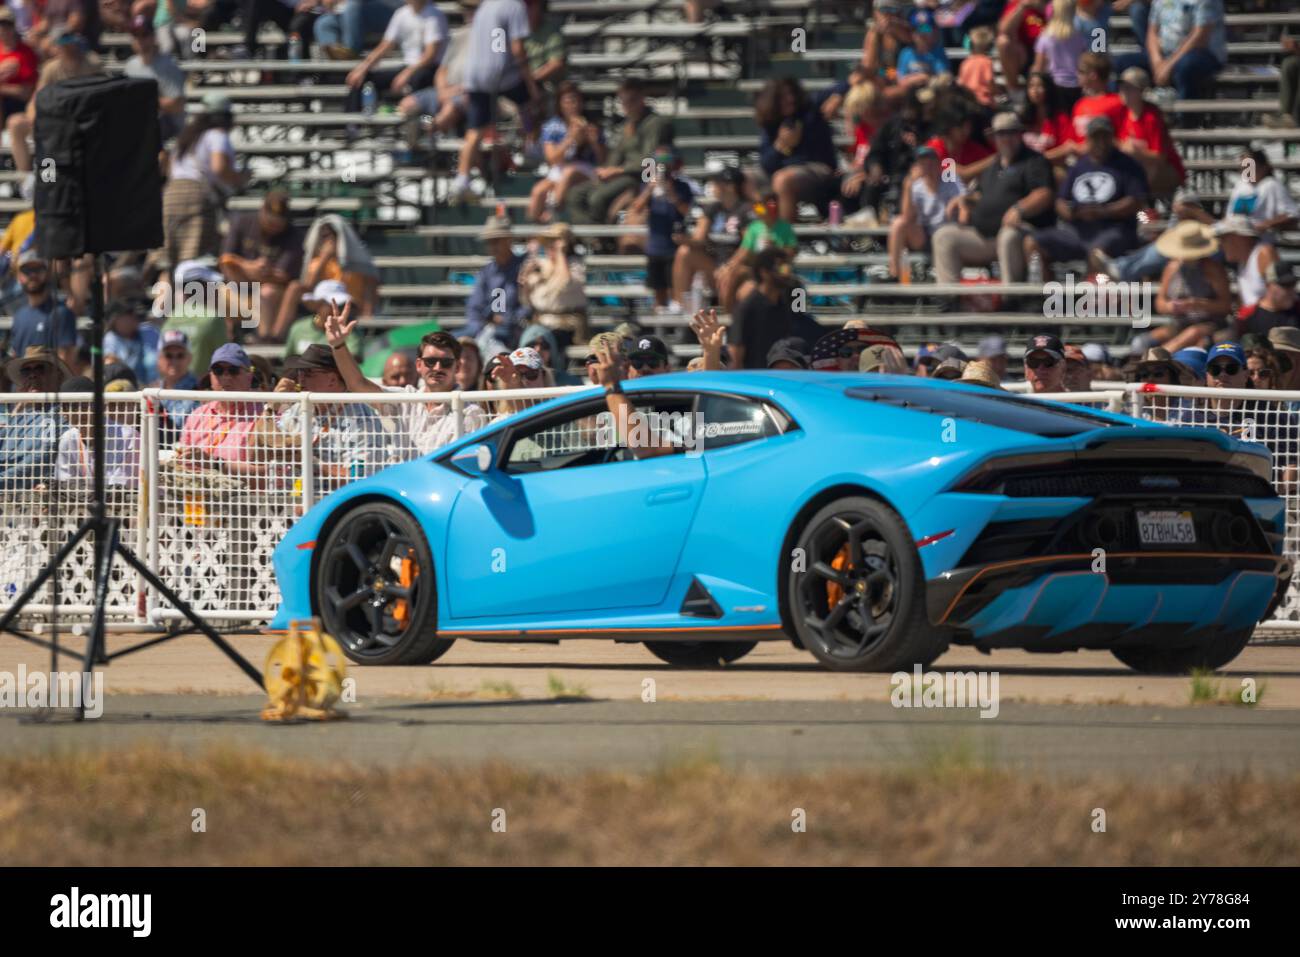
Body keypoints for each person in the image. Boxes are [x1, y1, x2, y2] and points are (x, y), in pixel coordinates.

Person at [325, 305, 488, 451]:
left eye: (446, 362)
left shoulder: (471, 413)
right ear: (419, 365)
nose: (437, 368)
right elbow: (357, 385)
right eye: (430, 362)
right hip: (400, 484)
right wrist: (338, 345)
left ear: (457, 368)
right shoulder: (405, 400)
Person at [931, 112, 1056, 285]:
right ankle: (949, 299)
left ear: (1020, 134)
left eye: (1011, 132)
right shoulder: (993, 165)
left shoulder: (1034, 161)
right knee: (944, 236)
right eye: (1001, 134)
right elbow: (980, 195)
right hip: (985, 236)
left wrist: (1019, 209)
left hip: (1020, 233)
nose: (1006, 138)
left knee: (1007, 236)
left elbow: (1044, 194)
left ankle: (1010, 298)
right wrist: (965, 200)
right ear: (994, 137)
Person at [256, 344, 399, 491]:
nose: (300, 379)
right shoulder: (298, 410)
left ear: (332, 380)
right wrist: (271, 407)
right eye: (299, 372)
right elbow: (254, 450)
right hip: (288, 504)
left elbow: (360, 477)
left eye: (308, 373)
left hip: (338, 508)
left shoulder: (359, 420)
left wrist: (309, 462)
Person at [1027, 114, 1147, 275]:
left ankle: (1089, 297)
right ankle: (1045, 296)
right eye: (1096, 137)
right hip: (1077, 229)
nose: (1101, 142)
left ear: (1112, 138)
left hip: (1115, 229)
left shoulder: (1127, 165)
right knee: (1032, 242)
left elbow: (1136, 201)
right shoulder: (1079, 165)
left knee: (1097, 252)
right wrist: (1071, 212)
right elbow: (1060, 201)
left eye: (1105, 137)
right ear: (1088, 139)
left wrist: (1104, 211)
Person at [450, 0, 540, 203]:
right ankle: (532, 149)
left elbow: (496, 39)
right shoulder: (513, 6)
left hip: (475, 74)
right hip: (498, 72)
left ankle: (461, 180)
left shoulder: (486, 6)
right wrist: (531, 83)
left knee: (475, 130)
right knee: (529, 105)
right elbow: (517, 48)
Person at [1176, 342, 1299, 489]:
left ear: (1246, 375)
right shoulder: (1191, 418)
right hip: (1205, 497)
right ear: (1207, 375)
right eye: (1215, 369)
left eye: (1231, 369)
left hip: (1254, 502)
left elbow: (1290, 465)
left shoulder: (1271, 416)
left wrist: (1270, 495)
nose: (1222, 375)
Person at [564, 77, 673, 226]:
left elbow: (651, 161)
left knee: (597, 198)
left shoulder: (656, 124)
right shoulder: (626, 125)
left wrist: (618, 170)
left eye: (631, 100)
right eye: (623, 101)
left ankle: (601, 240)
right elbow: (617, 154)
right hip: (619, 176)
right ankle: (591, 240)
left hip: (640, 177)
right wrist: (606, 170)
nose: (627, 106)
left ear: (642, 99)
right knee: (575, 195)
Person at [163, 94, 244, 272]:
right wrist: (240, 177)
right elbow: (219, 168)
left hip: (171, 194)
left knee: (169, 262)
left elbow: (169, 168)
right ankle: (184, 299)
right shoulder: (217, 135)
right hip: (197, 197)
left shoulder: (187, 137)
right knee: (191, 262)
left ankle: (164, 299)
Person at [218, 190, 306, 343]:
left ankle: (264, 340)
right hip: (241, 290)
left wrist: (249, 271)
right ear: (262, 212)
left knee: (267, 292)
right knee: (219, 291)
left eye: (278, 224)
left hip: (272, 296)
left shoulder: (294, 235)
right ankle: (227, 341)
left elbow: (282, 275)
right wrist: (249, 266)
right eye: (270, 222)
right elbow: (225, 260)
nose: (273, 227)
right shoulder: (242, 223)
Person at [276, 215, 379, 338]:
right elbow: (309, 286)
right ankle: (276, 336)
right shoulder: (317, 262)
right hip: (321, 305)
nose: (328, 241)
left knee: (328, 308)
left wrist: (367, 314)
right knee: (296, 288)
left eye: (331, 236)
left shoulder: (357, 260)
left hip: (349, 305)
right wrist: (324, 258)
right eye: (324, 236)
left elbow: (370, 286)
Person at [175, 343, 268, 478]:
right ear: (211, 377)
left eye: (233, 370)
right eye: (218, 370)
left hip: (242, 496)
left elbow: (267, 473)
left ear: (249, 376)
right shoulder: (197, 415)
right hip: (196, 493)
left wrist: (214, 464)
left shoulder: (264, 415)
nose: (226, 377)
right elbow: (182, 461)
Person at [755, 76, 840, 223]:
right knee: (747, 181)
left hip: (817, 168)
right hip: (781, 169)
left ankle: (785, 239)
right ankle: (765, 224)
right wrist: (780, 146)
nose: (790, 99)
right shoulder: (771, 123)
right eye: (783, 96)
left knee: (783, 180)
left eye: (791, 94)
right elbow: (766, 165)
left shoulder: (810, 110)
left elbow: (845, 83)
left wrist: (838, 96)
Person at [673, 166, 752, 311]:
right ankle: (680, 305)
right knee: (684, 252)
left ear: (730, 186)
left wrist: (730, 266)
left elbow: (749, 244)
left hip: (739, 266)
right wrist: (685, 239)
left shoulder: (746, 210)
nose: (712, 187)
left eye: (716, 183)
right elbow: (699, 240)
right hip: (715, 265)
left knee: (729, 276)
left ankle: (729, 324)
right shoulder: (713, 208)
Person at [1115, 0, 1227, 102]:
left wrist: (1168, 66)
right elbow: (1152, 31)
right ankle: (1134, 118)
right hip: (1165, 56)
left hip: (1201, 54)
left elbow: (1200, 36)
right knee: (1123, 63)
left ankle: (1185, 119)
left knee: (1186, 66)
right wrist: (1157, 61)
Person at [345, 0, 447, 112]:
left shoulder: (434, 15)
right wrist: (362, 68)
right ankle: (351, 126)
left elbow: (430, 55)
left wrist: (406, 74)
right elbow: (385, 46)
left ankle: (416, 122)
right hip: (408, 68)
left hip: (430, 69)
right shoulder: (401, 14)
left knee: (418, 79)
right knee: (362, 79)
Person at [728, 248, 823, 370]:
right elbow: (736, 354)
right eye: (781, 268)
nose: (786, 273)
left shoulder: (785, 304)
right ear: (764, 272)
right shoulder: (747, 308)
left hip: (779, 378)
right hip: (756, 381)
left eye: (788, 267)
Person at [529, 81, 605, 223]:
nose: (573, 105)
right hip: (559, 168)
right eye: (568, 101)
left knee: (568, 173)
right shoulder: (552, 126)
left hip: (585, 169)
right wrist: (569, 139)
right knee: (538, 191)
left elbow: (602, 160)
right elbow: (552, 159)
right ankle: (534, 234)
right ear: (560, 104)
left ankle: (553, 216)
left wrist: (594, 142)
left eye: (576, 101)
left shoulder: (592, 124)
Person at [628, 148, 694, 310]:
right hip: (655, 247)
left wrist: (671, 193)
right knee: (658, 292)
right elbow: (636, 208)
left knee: (675, 291)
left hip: (673, 246)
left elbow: (687, 211)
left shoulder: (682, 186)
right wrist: (651, 189)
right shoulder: (648, 186)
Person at [887, 145, 964, 282]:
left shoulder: (950, 180)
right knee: (898, 223)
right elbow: (907, 216)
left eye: (931, 161)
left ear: (938, 163)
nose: (927, 165)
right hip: (925, 235)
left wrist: (956, 202)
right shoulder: (915, 186)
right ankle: (894, 274)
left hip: (948, 232)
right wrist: (908, 185)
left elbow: (965, 199)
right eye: (923, 162)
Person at [1152, 221, 1231, 352]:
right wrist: (1170, 306)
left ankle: (1156, 360)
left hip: (1210, 323)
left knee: (1193, 334)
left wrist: (1197, 304)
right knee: (1141, 342)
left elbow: (1225, 306)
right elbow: (1159, 303)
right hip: (1179, 323)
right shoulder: (1171, 268)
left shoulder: (1213, 270)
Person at [54, 376, 140, 486]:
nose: (80, 411)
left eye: (85, 404)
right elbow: (65, 487)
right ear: (64, 413)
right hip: (86, 502)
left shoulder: (129, 437)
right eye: (73, 406)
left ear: (100, 406)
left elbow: (119, 493)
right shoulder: (67, 439)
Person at [0, 347, 68, 487]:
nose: (32, 375)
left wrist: (2, 479)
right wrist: (18, 407)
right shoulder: (20, 417)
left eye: (40, 368)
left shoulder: (63, 415)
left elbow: (42, 460)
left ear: (59, 375)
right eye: (26, 371)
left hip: (31, 498)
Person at [463, 214, 531, 354]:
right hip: (486, 329)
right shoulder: (486, 273)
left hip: (515, 329)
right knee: (454, 340)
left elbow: (529, 306)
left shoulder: (525, 268)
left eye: (497, 241)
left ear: (509, 240)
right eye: (489, 242)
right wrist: (481, 326)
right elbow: (474, 307)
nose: (493, 246)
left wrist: (507, 319)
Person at [1114, 66, 1184, 200]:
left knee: (1144, 171)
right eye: (1122, 87)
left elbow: (1159, 158)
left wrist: (1135, 152)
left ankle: (1144, 213)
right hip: (1137, 168)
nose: (1123, 92)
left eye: (1129, 88)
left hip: (1164, 171)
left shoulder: (1151, 117)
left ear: (1141, 91)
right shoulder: (1120, 113)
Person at [519, 222, 587, 351]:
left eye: (554, 242)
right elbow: (526, 301)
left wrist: (561, 254)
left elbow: (567, 284)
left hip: (566, 326)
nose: (550, 247)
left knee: (545, 343)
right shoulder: (541, 265)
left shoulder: (575, 266)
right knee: (526, 339)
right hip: (540, 323)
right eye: (548, 243)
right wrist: (524, 282)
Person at [8, 250, 78, 370]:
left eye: (38, 269)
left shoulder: (62, 313)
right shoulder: (19, 315)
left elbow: (65, 360)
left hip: (50, 387)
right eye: (27, 271)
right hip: (22, 386)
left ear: (48, 273)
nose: (33, 275)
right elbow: (15, 357)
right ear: (19, 276)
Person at [123, 14, 185, 141]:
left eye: (144, 35)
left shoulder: (168, 65)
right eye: (135, 35)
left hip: (168, 125)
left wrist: (143, 102)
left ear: (153, 37)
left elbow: (176, 104)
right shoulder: (130, 65)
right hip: (142, 123)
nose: (140, 40)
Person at [1224, 149, 1299, 239]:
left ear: (1263, 167)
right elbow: (1230, 214)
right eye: (1243, 168)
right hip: (1234, 239)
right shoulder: (1240, 186)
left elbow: (1292, 214)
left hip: (1259, 240)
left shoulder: (1271, 185)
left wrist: (1265, 224)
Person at [283, 279, 363, 358]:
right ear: (317, 305)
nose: (337, 310)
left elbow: (354, 360)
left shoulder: (350, 330)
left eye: (341, 305)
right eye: (331, 305)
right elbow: (288, 360)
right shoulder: (298, 327)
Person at [1032, 0, 1086, 108]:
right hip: (1076, 86)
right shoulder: (1080, 37)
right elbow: (1083, 62)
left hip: (1054, 86)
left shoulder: (1045, 38)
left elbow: (1039, 68)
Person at [1216, 215, 1277, 313]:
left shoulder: (1264, 254)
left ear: (1238, 238)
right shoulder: (1242, 265)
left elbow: (1280, 295)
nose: (1221, 245)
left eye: (1224, 239)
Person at [148, 329, 201, 440]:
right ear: (159, 359)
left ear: (189, 358)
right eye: (168, 355)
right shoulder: (151, 391)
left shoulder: (201, 391)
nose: (174, 361)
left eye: (180, 355)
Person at [1069, 52, 1125, 145]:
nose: (1077, 74)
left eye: (1081, 71)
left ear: (1093, 75)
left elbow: (1122, 140)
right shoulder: (1080, 104)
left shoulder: (1117, 103)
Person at [1020, 71, 1074, 165]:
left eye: (1040, 86)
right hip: (1026, 167)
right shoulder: (1023, 118)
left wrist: (1041, 158)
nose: (1035, 90)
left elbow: (1067, 147)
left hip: (1052, 165)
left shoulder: (1060, 119)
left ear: (1048, 89)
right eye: (1031, 86)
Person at [102, 299, 161, 386]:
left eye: (132, 312)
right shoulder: (110, 338)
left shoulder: (149, 331)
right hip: (127, 390)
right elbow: (109, 364)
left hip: (155, 387)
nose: (133, 315)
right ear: (114, 321)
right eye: (127, 313)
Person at [998, 0, 1049, 97]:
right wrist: (1022, 7)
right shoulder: (1018, 3)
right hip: (1024, 54)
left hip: (1047, 54)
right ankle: (1014, 90)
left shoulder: (1054, 4)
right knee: (1003, 41)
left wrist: (1043, 8)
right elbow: (1003, 30)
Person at [1238, 261, 1300, 339]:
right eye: (1285, 285)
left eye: (1293, 284)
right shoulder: (1248, 314)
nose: (1291, 290)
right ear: (1268, 285)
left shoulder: (1298, 309)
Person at [0, 9, 39, 124]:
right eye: (1, 25)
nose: (3, 30)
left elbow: (26, 93)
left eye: (7, 25)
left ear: (14, 27)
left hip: (18, 105)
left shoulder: (26, 53)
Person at [958, 25, 998, 108]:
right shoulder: (986, 62)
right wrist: (997, 91)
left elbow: (960, 83)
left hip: (968, 102)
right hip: (983, 102)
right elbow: (989, 81)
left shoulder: (965, 62)